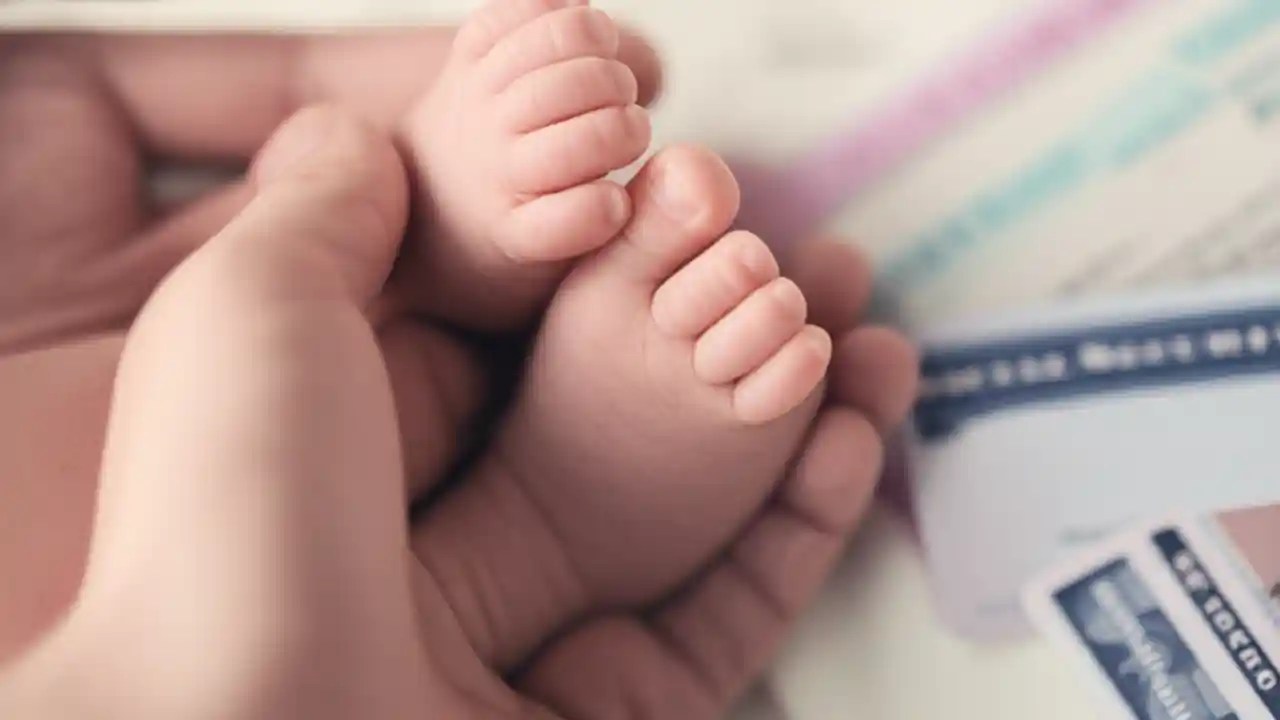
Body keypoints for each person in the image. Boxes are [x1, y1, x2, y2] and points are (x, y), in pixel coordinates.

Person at [0, 8, 918, 719]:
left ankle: (437, 239)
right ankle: (553, 517)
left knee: (397, 180)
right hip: (418, 611)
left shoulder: (33, 101)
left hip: (199, 306)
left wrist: (496, 95)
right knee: (498, 572)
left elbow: (303, 84)